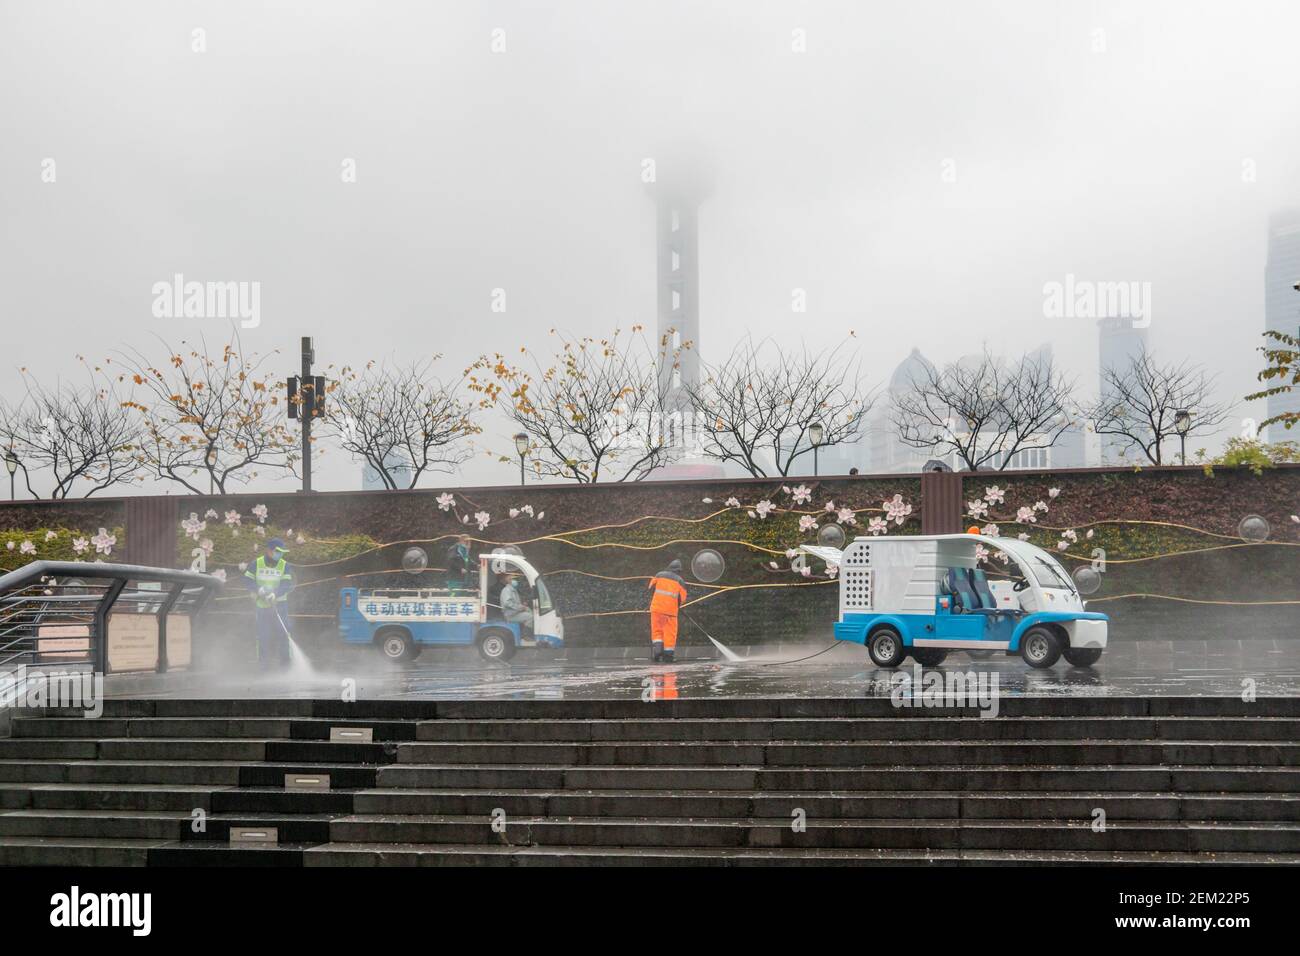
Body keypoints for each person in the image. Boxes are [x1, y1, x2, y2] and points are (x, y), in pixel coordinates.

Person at [244, 537, 294, 670]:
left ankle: (286, 665)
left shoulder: (285, 565)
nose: (280, 554)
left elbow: (287, 584)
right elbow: (247, 581)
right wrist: (258, 590)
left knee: (284, 633)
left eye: (282, 552)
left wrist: (275, 594)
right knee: (263, 635)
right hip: (262, 606)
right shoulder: (256, 563)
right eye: (278, 551)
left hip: (280, 605)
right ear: (269, 551)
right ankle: (263, 665)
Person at [646, 559, 688, 663]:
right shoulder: (680, 581)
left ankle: (657, 652)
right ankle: (668, 657)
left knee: (657, 631)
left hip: (656, 609)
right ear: (679, 570)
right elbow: (682, 598)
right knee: (669, 634)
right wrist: (677, 605)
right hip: (670, 613)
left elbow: (650, 588)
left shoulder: (659, 575)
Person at [499, 572, 532, 638]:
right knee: (530, 617)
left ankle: (525, 633)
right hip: (510, 615)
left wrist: (522, 605)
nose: (516, 581)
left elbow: (514, 602)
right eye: (514, 579)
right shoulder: (507, 590)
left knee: (529, 610)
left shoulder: (513, 590)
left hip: (514, 613)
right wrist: (520, 607)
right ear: (509, 580)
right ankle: (525, 635)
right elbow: (507, 603)